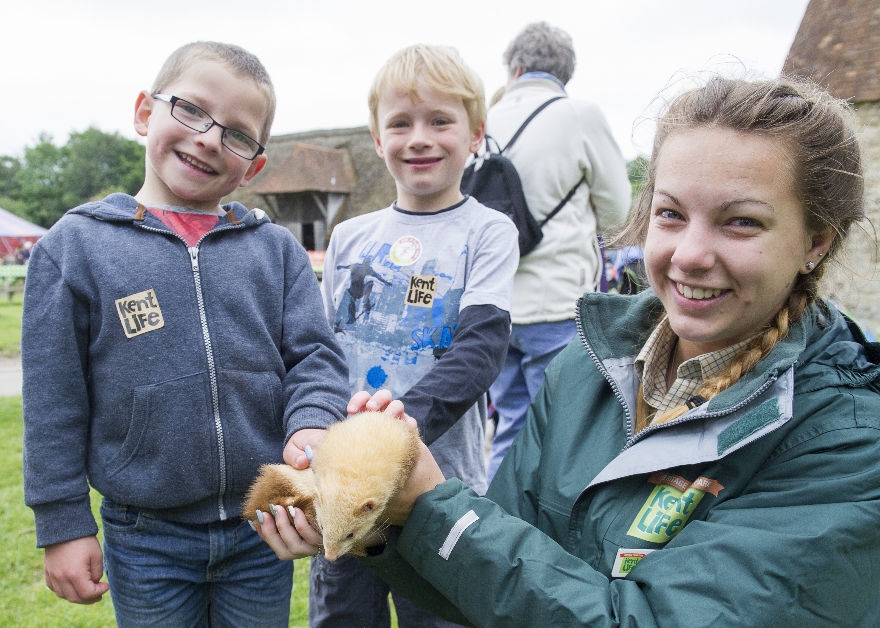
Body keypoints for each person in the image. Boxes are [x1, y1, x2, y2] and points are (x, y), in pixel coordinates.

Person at [257, 75, 880, 627]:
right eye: (669, 214)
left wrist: (432, 507)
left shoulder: (846, 441)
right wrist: (378, 522)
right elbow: (490, 587)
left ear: (815, 242)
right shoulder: (589, 368)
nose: (689, 254)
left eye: (741, 221)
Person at [21, 41, 350, 627]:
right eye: (192, 110)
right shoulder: (74, 249)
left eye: (237, 134)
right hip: (144, 535)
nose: (207, 138)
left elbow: (315, 357)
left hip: (261, 524)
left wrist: (312, 422)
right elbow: (53, 403)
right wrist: (63, 523)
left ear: (254, 165)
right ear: (146, 112)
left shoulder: (275, 252)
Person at [303, 44, 519, 628]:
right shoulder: (350, 237)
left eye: (439, 121)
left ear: (475, 134)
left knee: (441, 617)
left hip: (436, 486)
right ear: (377, 140)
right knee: (341, 615)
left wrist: (394, 428)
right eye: (400, 123)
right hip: (346, 487)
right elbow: (321, 353)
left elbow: (480, 350)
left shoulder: (488, 231)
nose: (419, 138)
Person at [485, 21, 632, 481]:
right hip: (557, 300)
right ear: (563, 74)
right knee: (564, 432)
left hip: (493, 303)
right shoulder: (579, 116)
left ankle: (492, 529)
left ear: (516, 68)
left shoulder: (480, 121)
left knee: (508, 427)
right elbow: (618, 212)